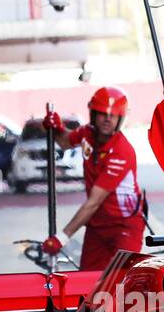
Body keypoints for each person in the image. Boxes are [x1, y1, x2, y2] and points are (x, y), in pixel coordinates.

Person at [39, 88, 144, 271]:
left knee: (122, 282)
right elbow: (65, 142)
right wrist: (56, 128)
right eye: (102, 113)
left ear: (121, 119)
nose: (107, 119)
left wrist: (61, 238)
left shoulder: (121, 151)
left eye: (113, 115)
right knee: (86, 282)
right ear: (93, 113)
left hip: (124, 226)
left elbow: (93, 202)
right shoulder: (87, 133)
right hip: (97, 225)